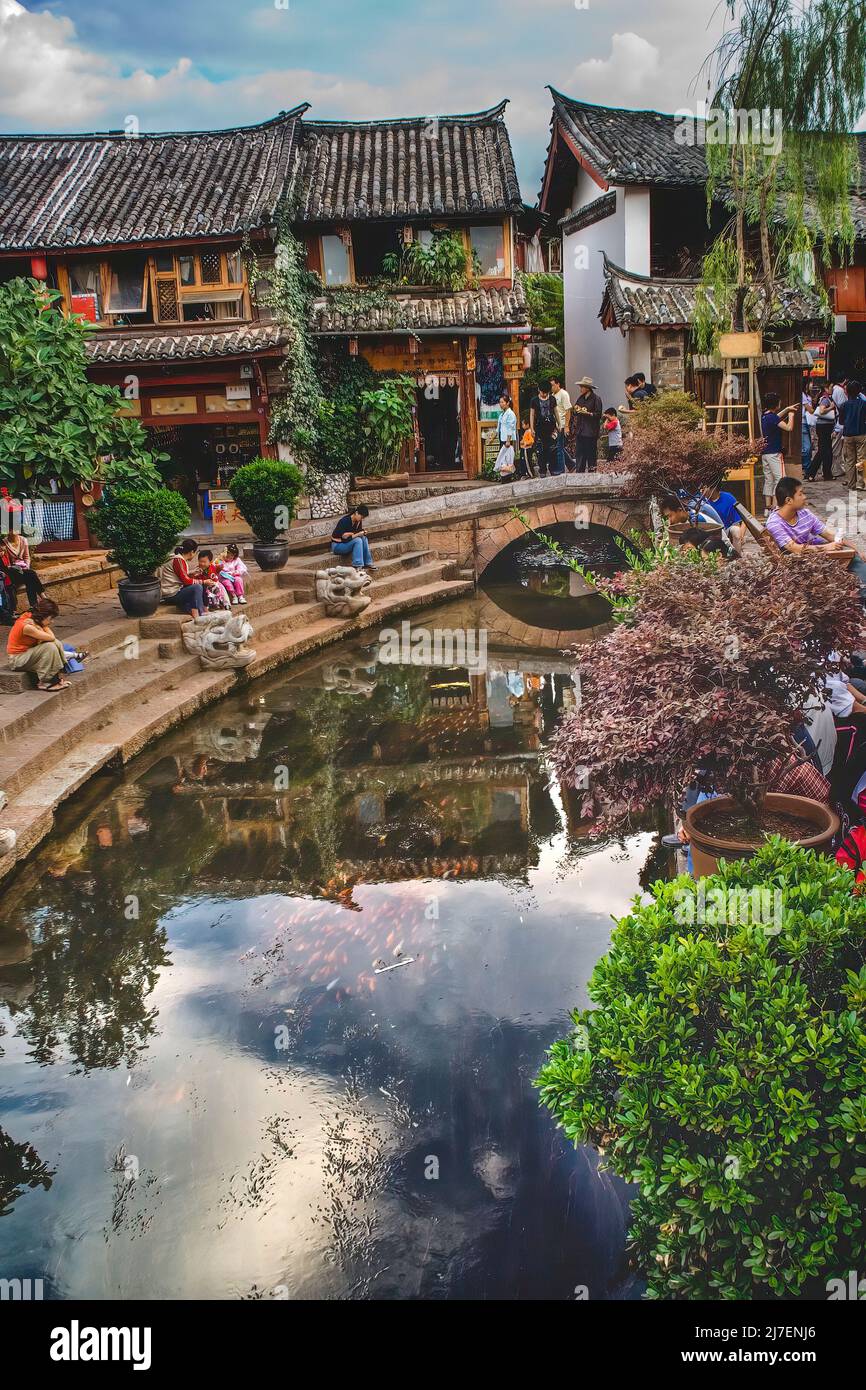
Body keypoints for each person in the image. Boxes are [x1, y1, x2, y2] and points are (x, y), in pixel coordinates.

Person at [766, 476, 866, 600]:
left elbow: (830, 535)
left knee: (855, 558)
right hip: (804, 561)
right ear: (788, 500)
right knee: (852, 562)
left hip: (818, 554)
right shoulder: (775, 523)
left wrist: (856, 549)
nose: (804, 497)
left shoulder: (805, 514)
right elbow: (795, 549)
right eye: (800, 494)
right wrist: (826, 547)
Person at [5, 596, 69, 691]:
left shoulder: (32, 619)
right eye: (50, 618)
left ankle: (58, 677)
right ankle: (46, 682)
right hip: (17, 660)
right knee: (49, 646)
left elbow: (53, 639)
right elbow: (51, 637)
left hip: (27, 654)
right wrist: (43, 626)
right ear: (43, 616)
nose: (52, 621)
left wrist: (40, 624)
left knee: (56, 643)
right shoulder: (28, 626)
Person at [760, 391, 797, 512]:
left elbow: (776, 418)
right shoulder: (773, 418)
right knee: (780, 479)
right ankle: (776, 507)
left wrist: (786, 409)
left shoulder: (765, 416)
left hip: (765, 454)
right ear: (776, 404)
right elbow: (789, 428)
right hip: (775, 454)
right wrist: (791, 416)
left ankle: (767, 508)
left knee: (768, 480)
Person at [160, 539, 206, 617]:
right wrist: (203, 582)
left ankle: (200, 611)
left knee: (198, 586)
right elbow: (185, 581)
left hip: (172, 592)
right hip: (171, 595)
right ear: (192, 552)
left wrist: (191, 573)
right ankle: (200, 614)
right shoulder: (178, 560)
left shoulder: (178, 559)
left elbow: (179, 575)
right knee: (197, 587)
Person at [1, 530, 44, 610]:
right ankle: (42, 598)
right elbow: (6, 562)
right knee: (31, 574)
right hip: (12, 571)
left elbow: (27, 557)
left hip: (24, 569)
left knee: (30, 576)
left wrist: (26, 567)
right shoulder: (4, 542)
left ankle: (33, 605)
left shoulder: (23, 540)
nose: (13, 531)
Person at [697, 484, 746, 553]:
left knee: (736, 530)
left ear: (713, 488)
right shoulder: (701, 500)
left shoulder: (728, 498)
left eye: (704, 488)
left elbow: (742, 520)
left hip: (725, 530)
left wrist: (741, 536)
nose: (702, 491)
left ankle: (737, 556)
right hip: (708, 531)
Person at [570, 375, 603, 473]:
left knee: (591, 454)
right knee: (580, 453)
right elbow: (575, 410)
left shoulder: (596, 399)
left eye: (582, 387)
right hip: (580, 430)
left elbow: (598, 414)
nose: (580, 389)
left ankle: (592, 473)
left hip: (591, 431)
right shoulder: (580, 398)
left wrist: (589, 414)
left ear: (588, 388)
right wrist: (576, 410)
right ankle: (579, 473)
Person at [839, 377, 866, 492]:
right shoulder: (863, 404)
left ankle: (851, 484)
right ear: (859, 391)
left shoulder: (844, 405)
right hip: (861, 433)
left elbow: (841, 421)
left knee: (849, 460)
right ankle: (860, 483)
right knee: (861, 459)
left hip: (848, 435)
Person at [331, 504, 374, 571]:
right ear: (356, 513)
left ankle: (368, 563)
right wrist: (358, 534)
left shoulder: (358, 521)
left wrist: (363, 532)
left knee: (364, 538)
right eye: (361, 517)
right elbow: (345, 539)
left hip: (347, 543)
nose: (362, 519)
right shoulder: (344, 521)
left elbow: (357, 532)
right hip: (337, 546)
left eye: (363, 518)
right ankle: (358, 565)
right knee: (358, 540)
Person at [529, 381, 558, 477]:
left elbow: (555, 412)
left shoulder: (552, 399)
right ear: (539, 390)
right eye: (543, 392)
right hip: (539, 428)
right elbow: (532, 414)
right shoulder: (534, 400)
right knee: (540, 450)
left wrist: (559, 424)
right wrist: (532, 428)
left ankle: (553, 469)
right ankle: (542, 470)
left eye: (546, 392)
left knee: (552, 449)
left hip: (551, 427)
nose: (544, 394)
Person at [812, 384, 838, 482]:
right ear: (826, 388)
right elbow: (822, 411)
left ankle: (824, 474)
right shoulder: (825, 399)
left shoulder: (827, 398)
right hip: (824, 427)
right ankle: (812, 473)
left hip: (825, 427)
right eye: (831, 387)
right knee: (824, 451)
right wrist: (831, 408)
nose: (832, 389)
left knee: (825, 451)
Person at [550, 375, 573, 474]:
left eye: (553, 385)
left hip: (562, 424)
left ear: (558, 384)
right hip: (555, 425)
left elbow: (568, 410)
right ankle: (571, 465)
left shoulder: (563, 394)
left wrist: (567, 426)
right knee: (559, 447)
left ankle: (561, 470)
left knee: (559, 448)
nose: (552, 387)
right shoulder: (552, 396)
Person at [492, 393, 517, 479]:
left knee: (508, 459)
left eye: (502, 402)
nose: (501, 404)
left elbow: (510, 428)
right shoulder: (501, 414)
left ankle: (508, 477)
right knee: (502, 459)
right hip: (502, 438)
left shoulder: (510, 414)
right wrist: (493, 437)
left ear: (507, 403)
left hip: (507, 440)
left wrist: (508, 440)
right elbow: (498, 427)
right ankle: (504, 477)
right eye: (500, 402)